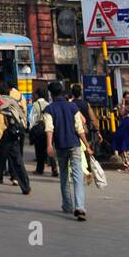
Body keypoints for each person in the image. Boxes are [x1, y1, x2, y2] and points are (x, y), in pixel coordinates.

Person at [43, 79, 90, 221]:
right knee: (77, 176)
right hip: (74, 145)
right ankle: (80, 207)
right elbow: (79, 128)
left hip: (60, 146)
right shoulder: (73, 107)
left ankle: (68, 205)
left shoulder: (49, 109)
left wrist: (49, 145)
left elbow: (49, 129)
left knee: (64, 175)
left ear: (51, 94)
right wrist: (87, 145)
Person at [0, 82, 31, 195]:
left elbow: (0, 123)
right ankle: (26, 186)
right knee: (18, 161)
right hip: (15, 133)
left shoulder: (0, 102)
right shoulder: (12, 100)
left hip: (5, 134)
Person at [29, 81, 57, 177]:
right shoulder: (48, 104)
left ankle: (39, 169)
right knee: (49, 149)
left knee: (39, 151)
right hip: (48, 128)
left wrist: (31, 130)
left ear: (37, 95)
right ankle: (54, 168)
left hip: (38, 130)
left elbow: (32, 119)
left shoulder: (35, 105)